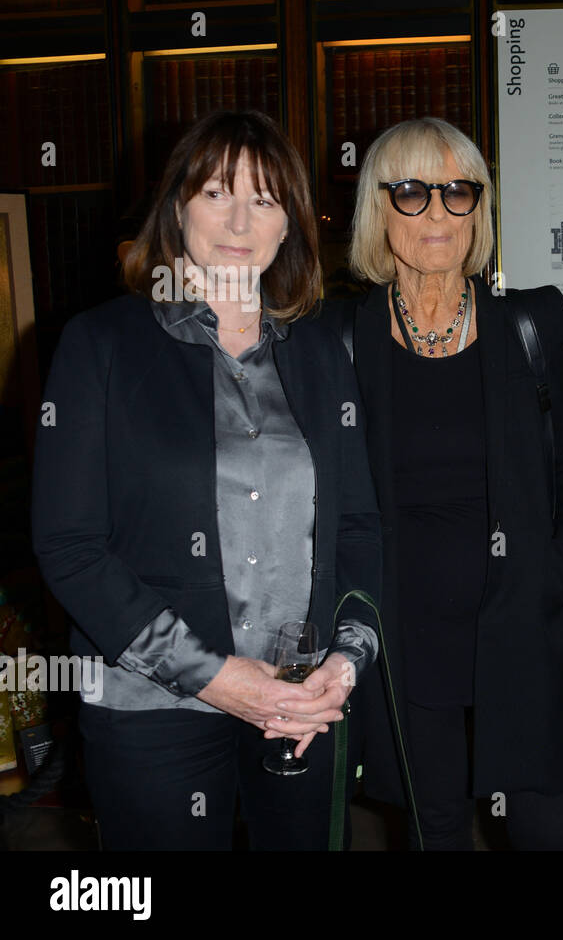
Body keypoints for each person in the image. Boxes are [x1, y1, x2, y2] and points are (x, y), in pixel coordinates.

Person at [31, 110, 382, 850]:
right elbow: (70, 546)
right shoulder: (100, 345)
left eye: (264, 198)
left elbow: (357, 529)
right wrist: (215, 676)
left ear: (289, 224)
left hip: (300, 704)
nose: (239, 218)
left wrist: (345, 664)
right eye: (218, 191)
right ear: (177, 207)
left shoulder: (322, 350)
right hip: (150, 710)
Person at [329, 117, 563, 850]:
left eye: (458, 191)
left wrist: (556, 562)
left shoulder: (528, 323)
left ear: (479, 205)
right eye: (412, 192)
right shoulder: (342, 339)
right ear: (378, 212)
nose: (440, 212)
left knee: (544, 823)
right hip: (407, 634)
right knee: (434, 825)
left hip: (517, 622)